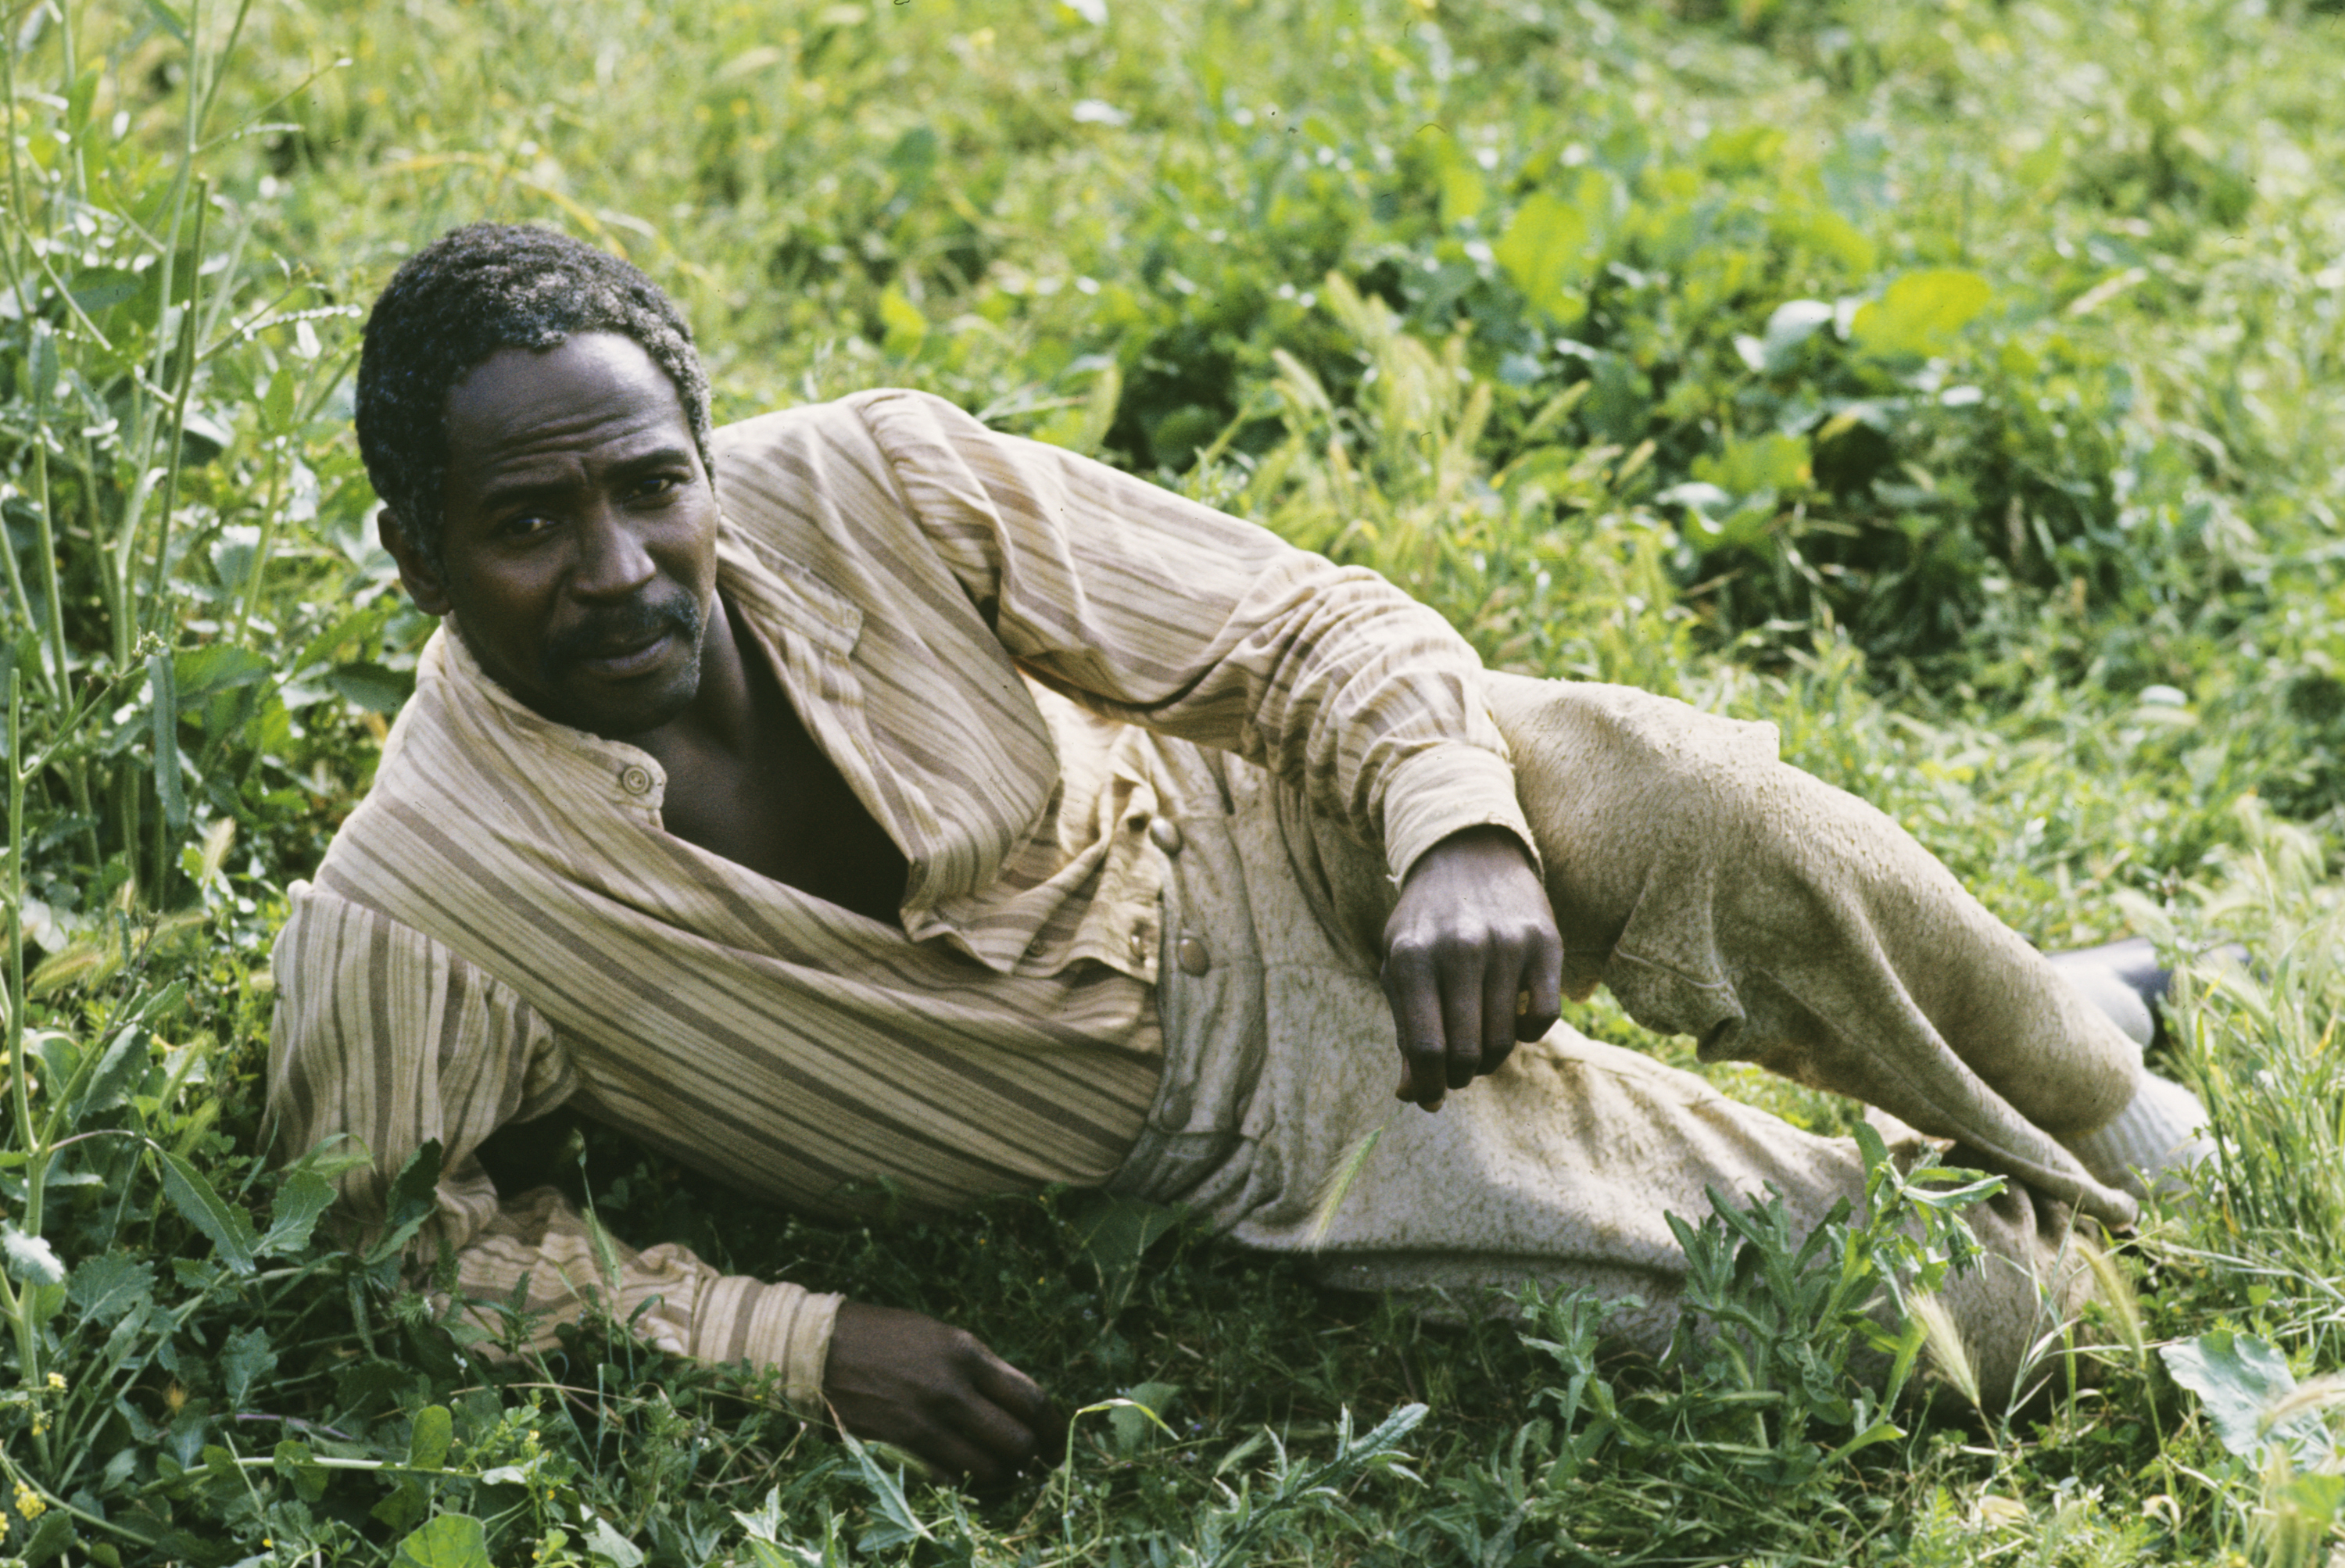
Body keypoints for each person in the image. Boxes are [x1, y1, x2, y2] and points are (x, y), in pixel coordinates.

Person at [264, 223, 2207, 1486]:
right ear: (421, 558)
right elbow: (392, 1241)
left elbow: (1296, 630)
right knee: (1905, 1320)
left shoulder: (863, 474)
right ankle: (2021, 1075)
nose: (614, 567)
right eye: (530, 524)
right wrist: (791, 1339)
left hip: (1263, 834)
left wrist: (1453, 833)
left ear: (709, 457)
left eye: (651, 488)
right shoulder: (419, 901)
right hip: (1237, 1115)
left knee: (1685, 795)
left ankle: (2095, 1084)